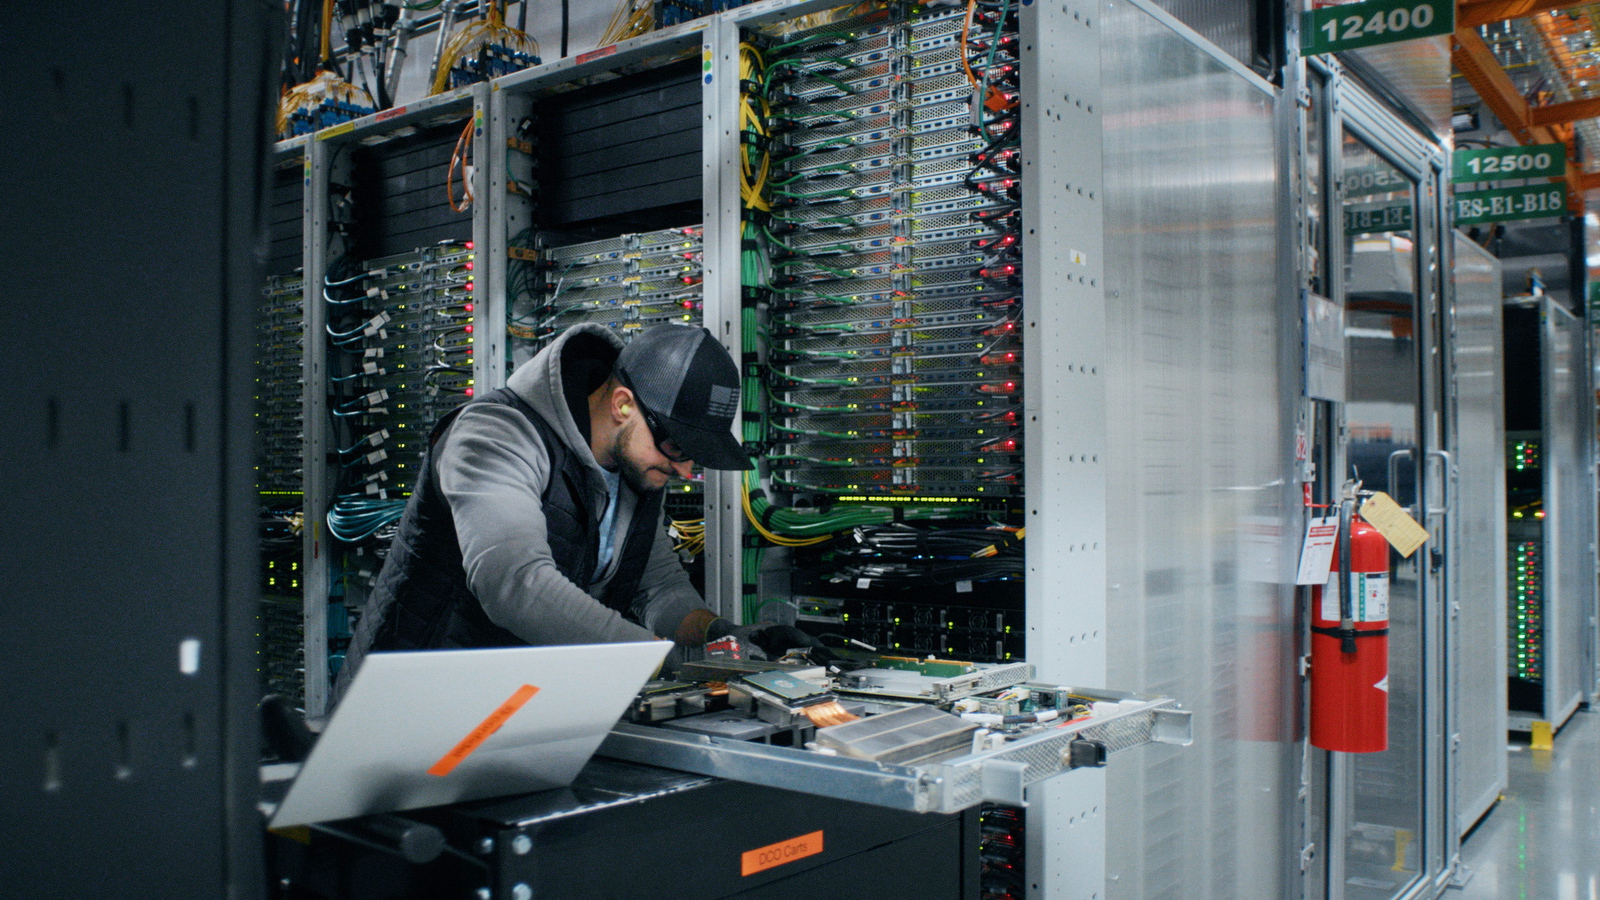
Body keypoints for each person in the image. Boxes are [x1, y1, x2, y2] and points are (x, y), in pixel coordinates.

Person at [335, 322, 786, 701]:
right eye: (677, 446)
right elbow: (513, 582)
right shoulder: (495, 434)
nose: (685, 469)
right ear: (623, 405)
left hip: (507, 707)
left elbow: (659, 587)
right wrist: (650, 657)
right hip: (408, 702)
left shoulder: (637, 468)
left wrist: (722, 636)